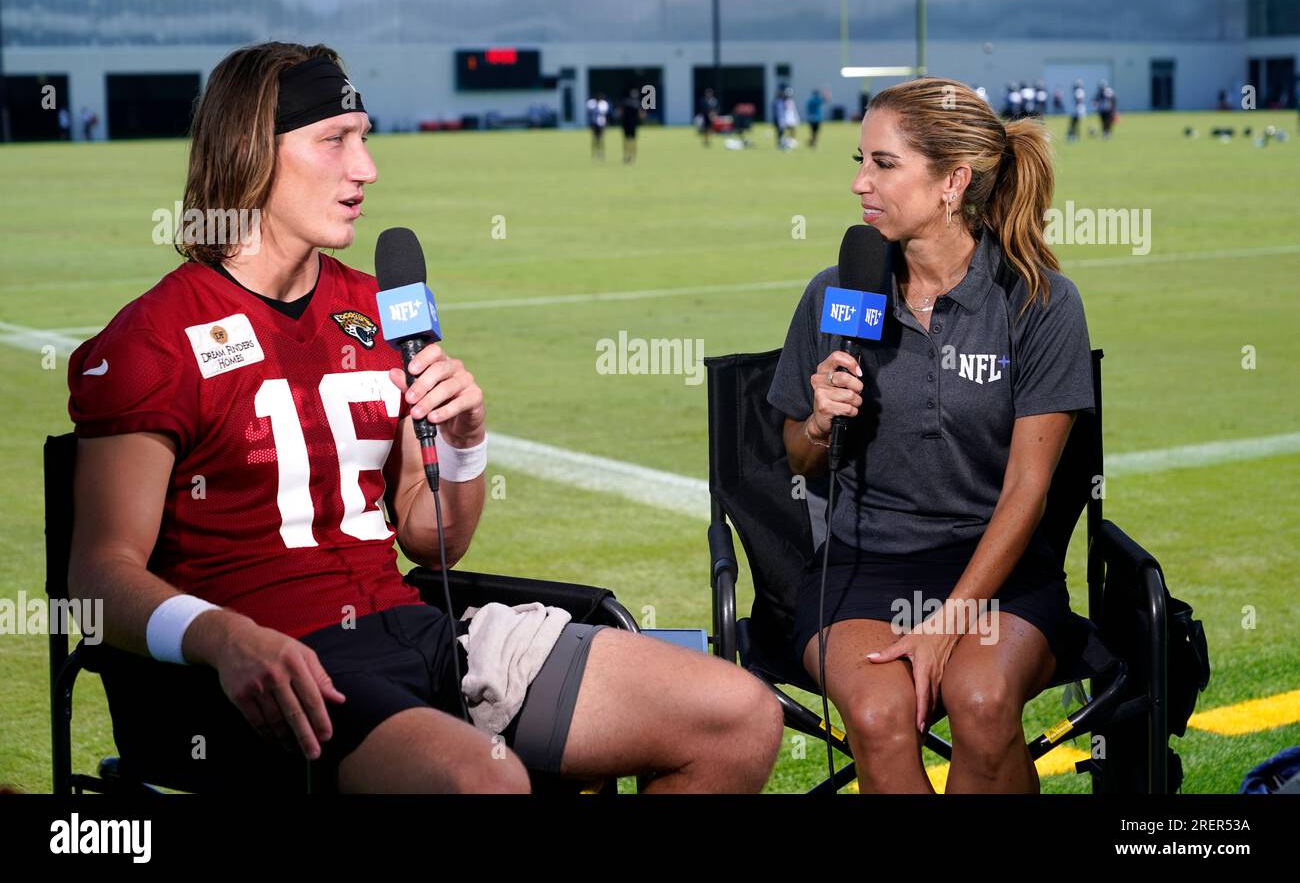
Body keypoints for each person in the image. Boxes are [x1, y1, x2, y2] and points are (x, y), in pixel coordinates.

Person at [66, 41, 784, 794]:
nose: (366, 168)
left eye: (365, 138)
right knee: (487, 783)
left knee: (739, 715)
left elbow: (430, 539)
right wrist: (221, 636)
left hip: (417, 631)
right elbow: (98, 572)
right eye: (335, 141)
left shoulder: (379, 309)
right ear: (252, 153)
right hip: (273, 672)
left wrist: (466, 444)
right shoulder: (152, 341)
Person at [767, 76, 1094, 793]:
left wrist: (949, 621)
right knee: (881, 717)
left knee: (981, 701)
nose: (859, 183)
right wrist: (818, 421)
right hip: (864, 564)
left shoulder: (1039, 301)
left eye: (883, 164)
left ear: (953, 181)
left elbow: (1027, 492)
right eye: (860, 160)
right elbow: (797, 457)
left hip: (1000, 573)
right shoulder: (836, 292)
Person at [619, 87, 643, 164]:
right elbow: (641, 115)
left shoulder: (625, 102)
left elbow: (621, 113)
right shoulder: (637, 103)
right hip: (633, 125)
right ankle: (633, 156)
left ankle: (626, 156)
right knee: (633, 141)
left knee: (626, 141)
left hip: (625, 124)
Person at [585, 92, 609, 160]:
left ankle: (601, 152)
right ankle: (594, 153)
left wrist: (606, 125)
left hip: (601, 123)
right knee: (594, 139)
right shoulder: (591, 103)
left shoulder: (604, 104)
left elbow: (605, 115)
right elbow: (589, 114)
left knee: (601, 139)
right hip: (594, 123)